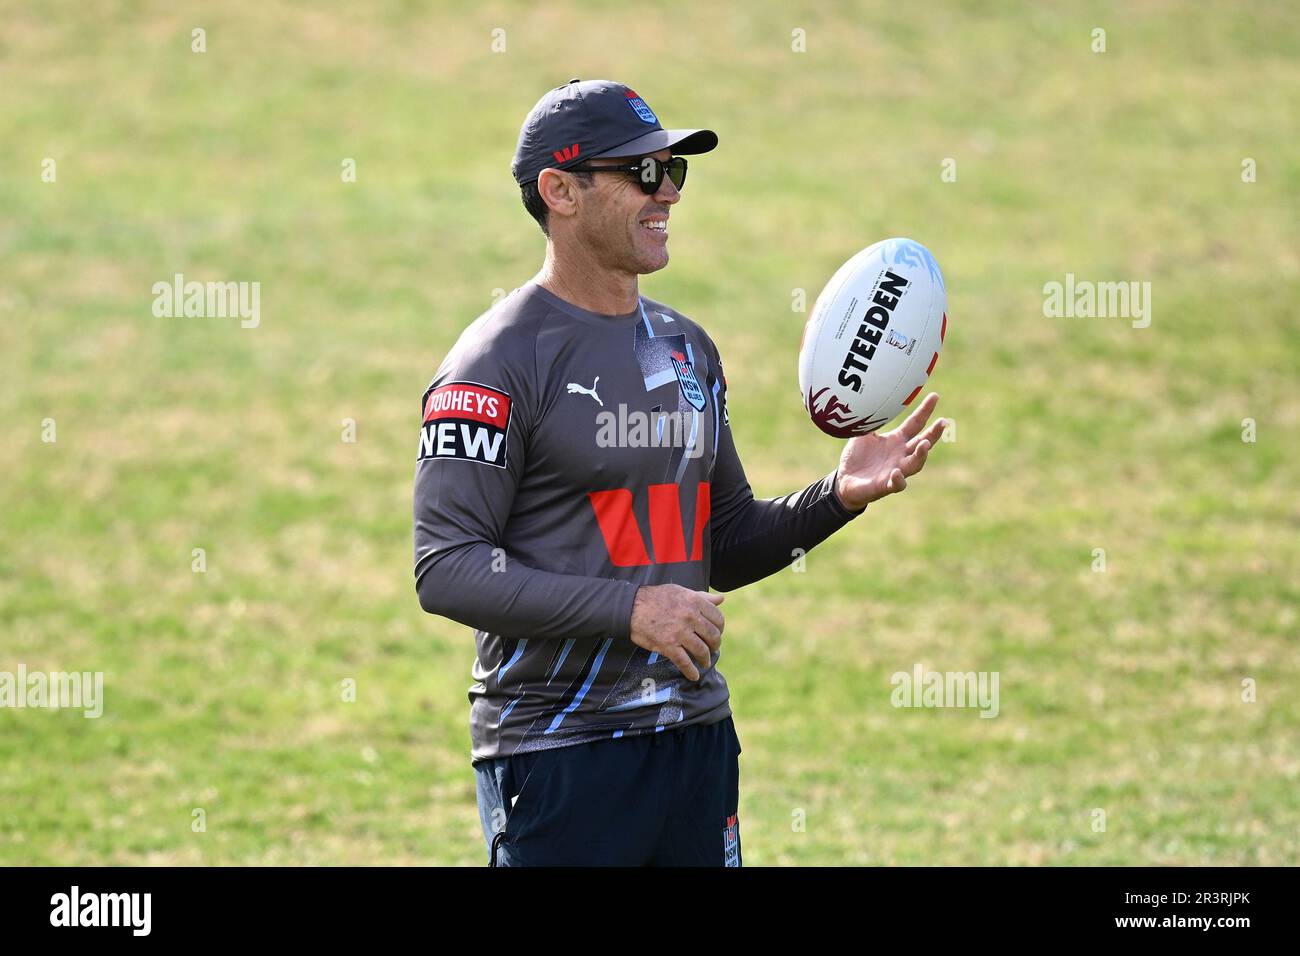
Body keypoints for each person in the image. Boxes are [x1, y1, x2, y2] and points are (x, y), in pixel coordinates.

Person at [412, 79, 945, 866]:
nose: (666, 194)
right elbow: (446, 568)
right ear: (559, 191)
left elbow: (720, 541)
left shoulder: (685, 347)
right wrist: (629, 609)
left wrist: (837, 497)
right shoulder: (494, 364)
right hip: (562, 755)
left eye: (674, 172)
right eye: (642, 174)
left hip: (693, 738)